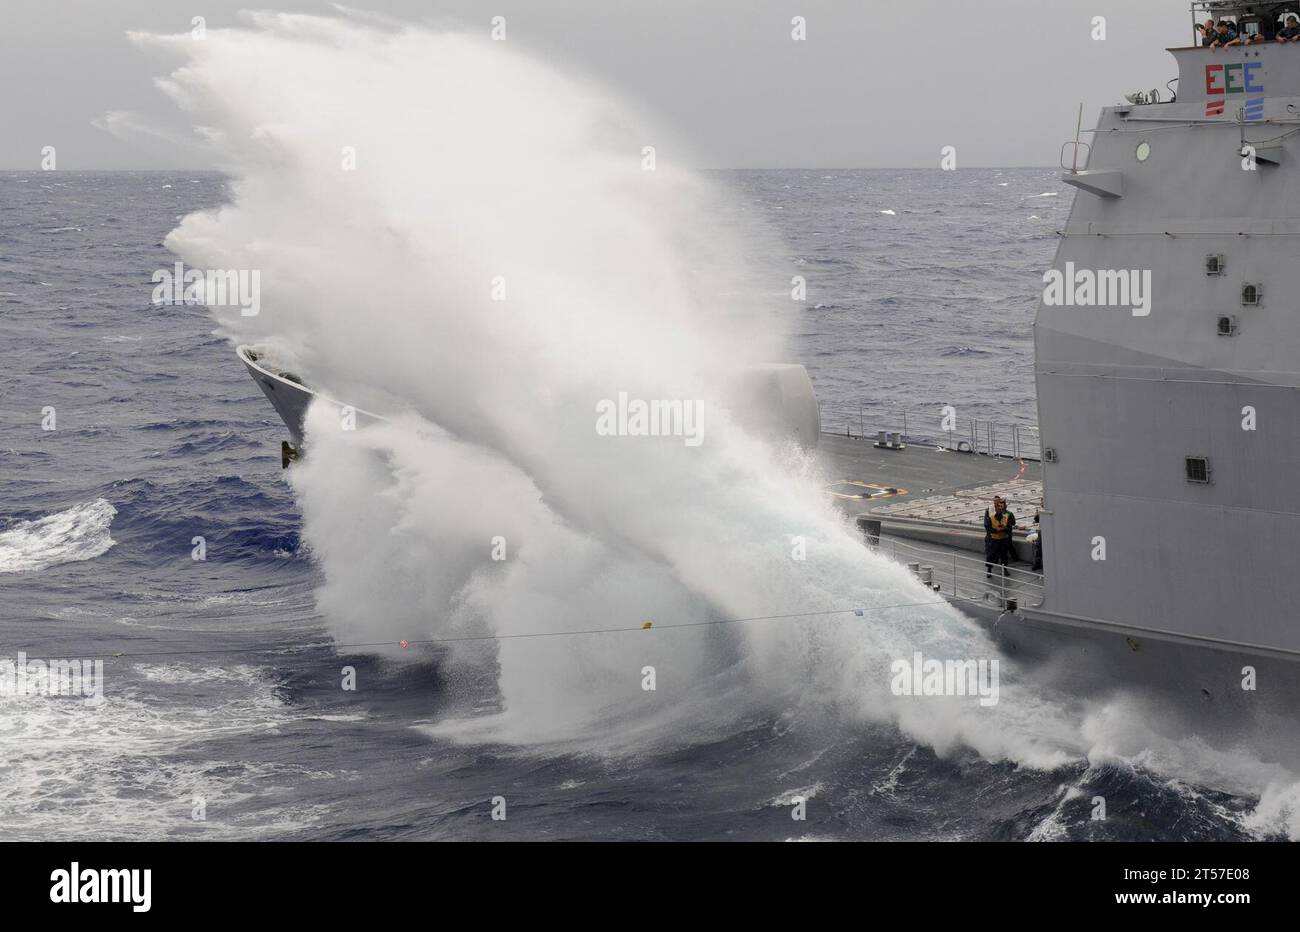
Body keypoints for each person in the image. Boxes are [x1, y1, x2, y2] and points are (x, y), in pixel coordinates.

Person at [983, 495, 1016, 580]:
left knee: (1004, 555)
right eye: (998, 508)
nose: (999, 510)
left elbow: (1010, 526)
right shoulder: (991, 517)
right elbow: (987, 527)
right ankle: (989, 569)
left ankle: (1005, 569)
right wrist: (995, 530)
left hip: (1003, 539)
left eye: (1001, 509)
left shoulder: (1006, 516)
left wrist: (1004, 529)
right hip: (993, 539)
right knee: (991, 555)